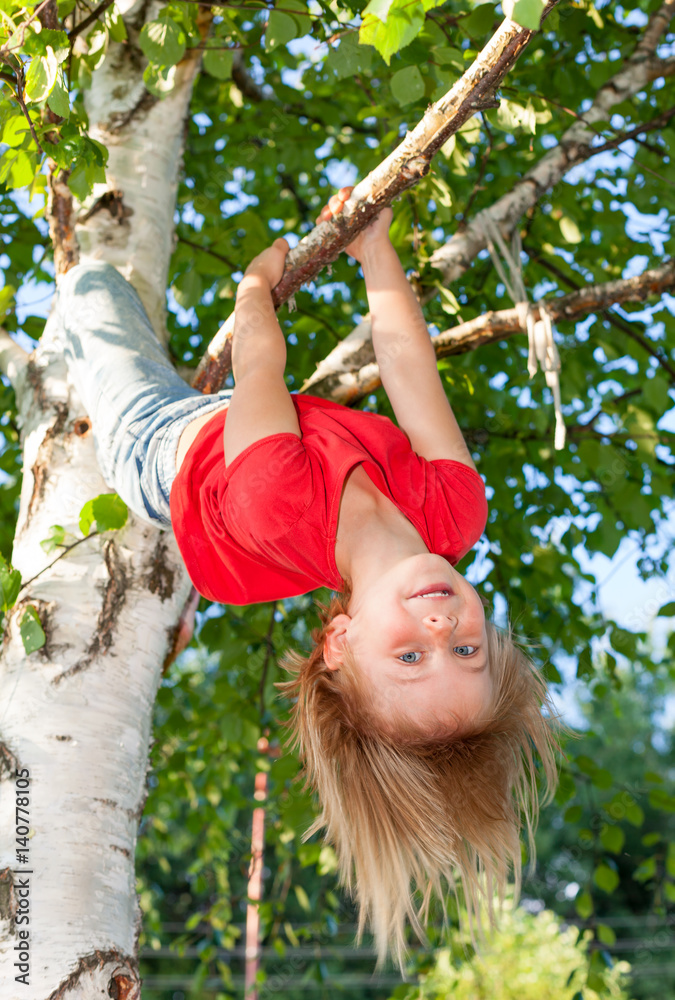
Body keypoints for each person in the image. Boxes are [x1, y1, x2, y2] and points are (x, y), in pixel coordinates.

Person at [50, 186, 558, 970]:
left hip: (164, 445)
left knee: (94, 292)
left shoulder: (277, 503)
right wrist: (373, 249)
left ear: (341, 643)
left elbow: (260, 356)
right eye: (467, 654)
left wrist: (254, 287)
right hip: (265, 432)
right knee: (250, 405)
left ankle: (62, 366)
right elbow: (405, 361)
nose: (441, 632)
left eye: (410, 660)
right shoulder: (454, 512)